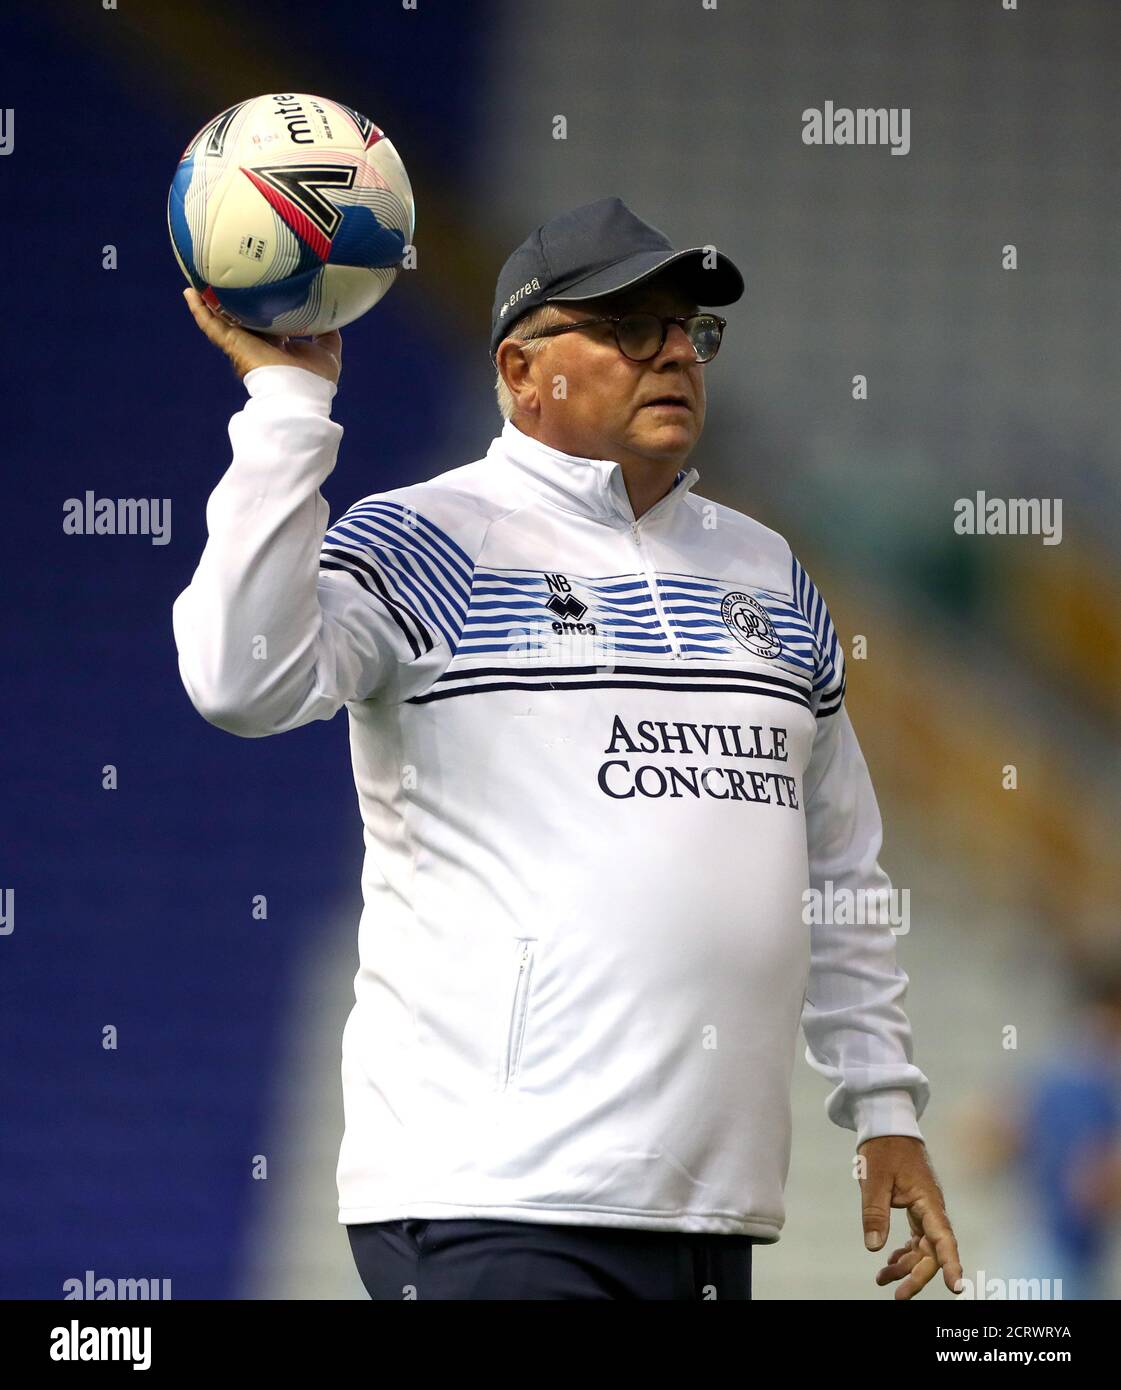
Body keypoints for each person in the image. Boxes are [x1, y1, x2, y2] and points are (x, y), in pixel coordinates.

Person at [173, 196, 962, 1300]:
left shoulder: (770, 574)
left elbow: (838, 871)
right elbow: (239, 678)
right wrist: (290, 403)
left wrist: (884, 1106)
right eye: (633, 327)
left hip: (707, 1211)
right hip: (490, 1194)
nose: (677, 351)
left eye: (689, 330)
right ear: (520, 366)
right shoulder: (425, 537)